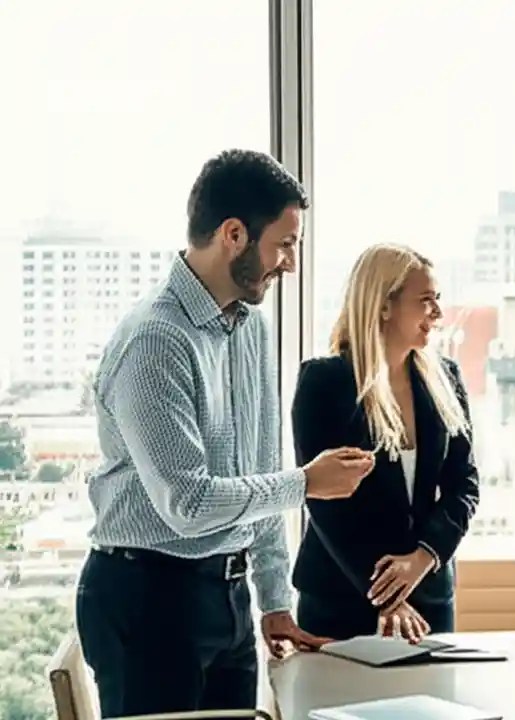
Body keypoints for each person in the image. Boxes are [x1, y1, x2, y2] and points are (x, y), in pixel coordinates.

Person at [76, 149, 375, 717]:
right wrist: (306, 483)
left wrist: (273, 599)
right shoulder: (155, 341)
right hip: (148, 600)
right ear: (234, 235)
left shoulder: (250, 329)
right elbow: (187, 504)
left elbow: (258, 471)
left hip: (228, 595)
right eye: (284, 244)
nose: (290, 263)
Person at [292, 244, 479, 642]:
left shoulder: (446, 379)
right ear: (384, 306)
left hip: (427, 596)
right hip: (340, 600)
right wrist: (386, 595)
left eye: (437, 299)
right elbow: (325, 501)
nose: (438, 313)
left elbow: (464, 485)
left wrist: (423, 558)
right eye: (425, 300)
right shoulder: (324, 383)